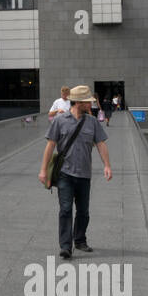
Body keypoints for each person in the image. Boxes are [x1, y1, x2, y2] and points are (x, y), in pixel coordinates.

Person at [38, 84, 112, 260]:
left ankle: (80, 239)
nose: (90, 105)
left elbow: (101, 144)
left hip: (84, 174)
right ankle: (65, 246)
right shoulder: (59, 121)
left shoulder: (92, 122)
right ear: (78, 102)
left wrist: (107, 165)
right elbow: (50, 146)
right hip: (65, 173)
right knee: (65, 209)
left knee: (83, 211)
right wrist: (43, 170)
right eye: (88, 102)